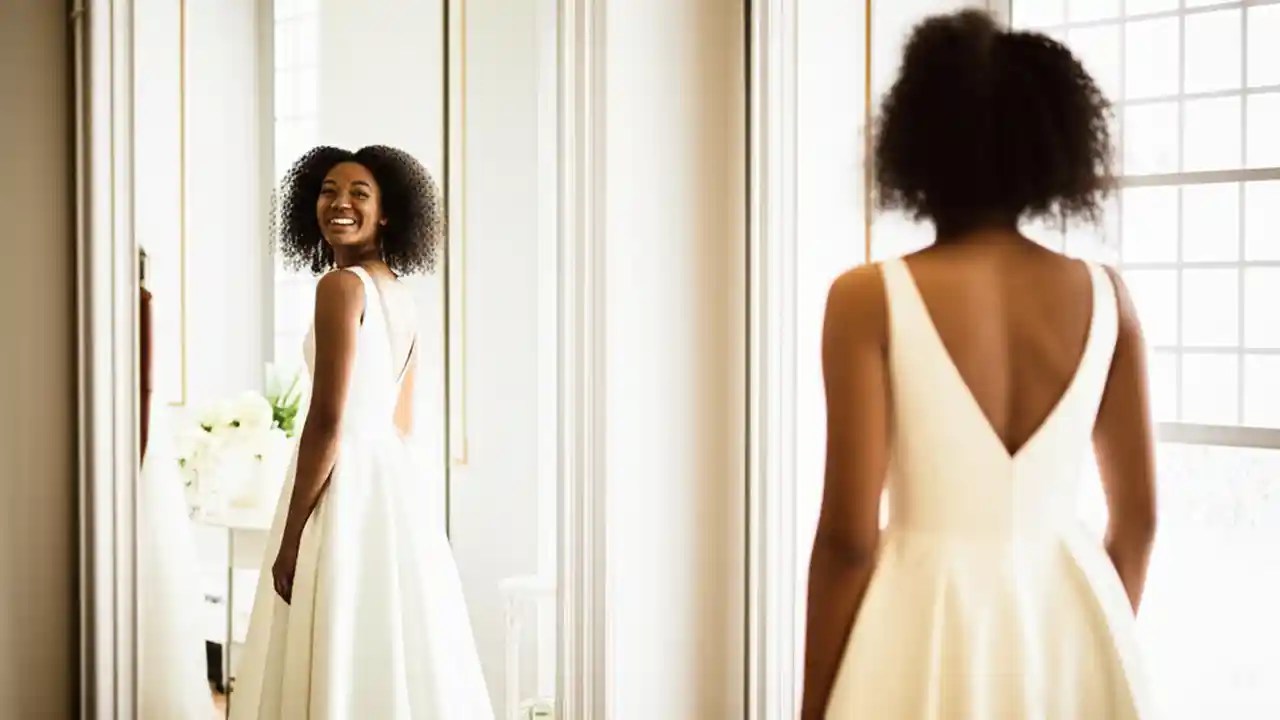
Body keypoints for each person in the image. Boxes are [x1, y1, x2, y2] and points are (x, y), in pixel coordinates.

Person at [802, 11, 1156, 719]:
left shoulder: (867, 299)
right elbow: (1139, 520)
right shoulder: (1108, 298)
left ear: (912, 143)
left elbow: (847, 539)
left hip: (917, 629)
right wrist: (1094, 635)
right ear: (1051, 144)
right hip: (1068, 620)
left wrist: (815, 702)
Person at [232, 145, 493, 718]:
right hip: (390, 484)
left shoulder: (341, 286)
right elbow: (401, 421)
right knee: (391, 641)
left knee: (334, 634)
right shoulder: (400, 292)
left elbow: (328, 419)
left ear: (387, 212)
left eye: (359, 193)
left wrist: (293, 533)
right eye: (328, 190)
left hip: (344, 486)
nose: (339, 202)